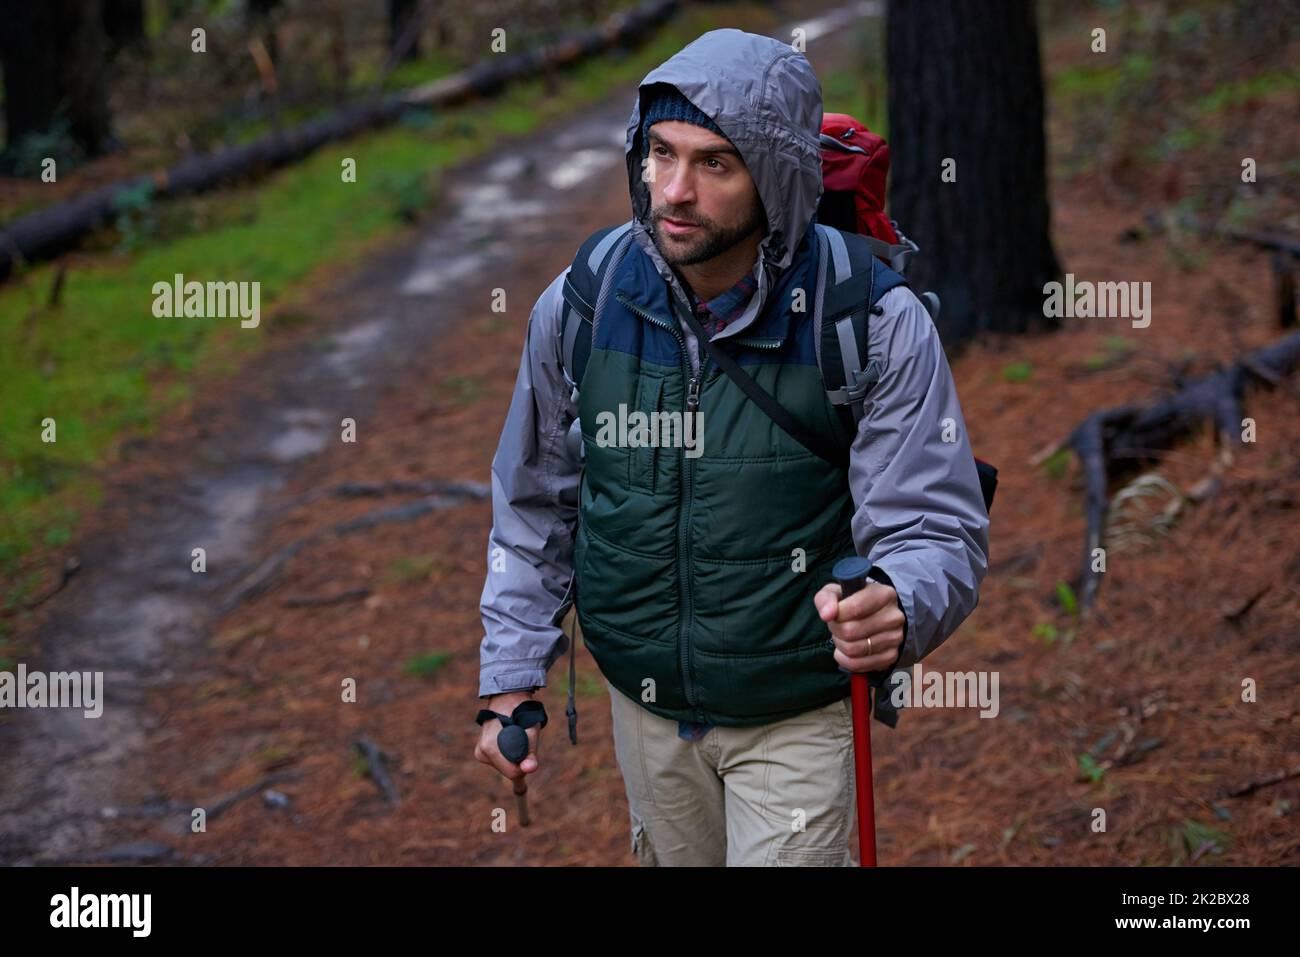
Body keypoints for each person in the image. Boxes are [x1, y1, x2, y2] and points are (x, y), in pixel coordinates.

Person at [473, 28, 990, 866]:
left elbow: (937, 528)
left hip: (796, 710)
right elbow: (533, 502)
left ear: (776, 178)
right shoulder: (584, 301)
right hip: (646, 707)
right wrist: (509, 673)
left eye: (715, 164)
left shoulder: (870, 322)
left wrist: (898, 600)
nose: (674, 191)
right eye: (661, 155)